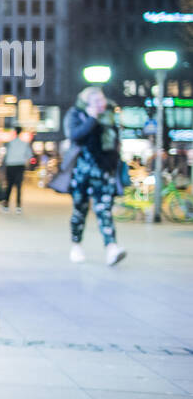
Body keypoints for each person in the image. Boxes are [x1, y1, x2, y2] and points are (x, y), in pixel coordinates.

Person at [49, 86, 127, 266]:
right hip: (81, 173)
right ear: (87, 103)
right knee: (79, 210)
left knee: (104, 210)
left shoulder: (110, 116)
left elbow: (115, 141)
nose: (101, 104)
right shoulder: (77, 114)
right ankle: (76, 245)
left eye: (102, 100)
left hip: (104, 172)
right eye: (97, 101)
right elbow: (75, 136)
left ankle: (111, 248)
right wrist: (92, 119)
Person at [0, 126, 33, 213]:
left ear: (15, 132)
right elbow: (29, 155)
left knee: (9, 186)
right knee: (19, 186)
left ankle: (6, 205)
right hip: (20, 165)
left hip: (10, 165)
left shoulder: (10, 143)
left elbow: (5, 155)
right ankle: (18, 206)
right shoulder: (24, 144)